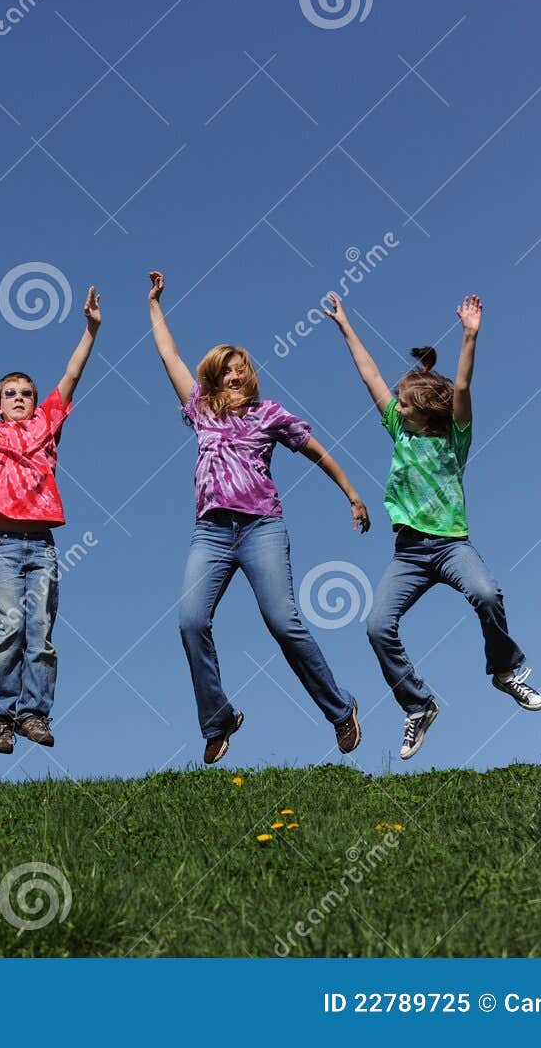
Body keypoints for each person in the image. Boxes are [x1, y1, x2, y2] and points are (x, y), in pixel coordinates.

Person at [149, 271, 367, 764]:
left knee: (282, 621)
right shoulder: (200, 409)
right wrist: (155, 304)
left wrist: (351, 493)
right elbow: (169, 355)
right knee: (190, 621)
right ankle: (219, 719)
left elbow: (316, 451)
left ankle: (340, 710)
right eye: (227, 368)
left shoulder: (268, 413)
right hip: (210, 532)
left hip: (260, 528)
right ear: (213, 375)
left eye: (242, 367)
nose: (236, 373)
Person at [325, 293, 541, 760]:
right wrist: (346, 325)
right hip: (408, 552)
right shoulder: (399, 430)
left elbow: (461, 388)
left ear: (426, 410)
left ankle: (505, 671)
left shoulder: (454, 438)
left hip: (451, 546)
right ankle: (418, 705)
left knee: (487, 594)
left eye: (404, 405)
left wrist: (469, 334)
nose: (396, 409)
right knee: (377, 625)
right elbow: (369, 376)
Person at [0, 288, 100, 753]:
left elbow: (73, 373)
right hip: (0, 544)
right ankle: (0, 718)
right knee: (8, 631)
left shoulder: (46, 426)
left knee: (40, 633)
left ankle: (34, 714)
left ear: (37, 404)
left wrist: (91, 330)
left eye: (26, 394)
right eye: (10, 394)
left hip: (40, 546)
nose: (18, 398)